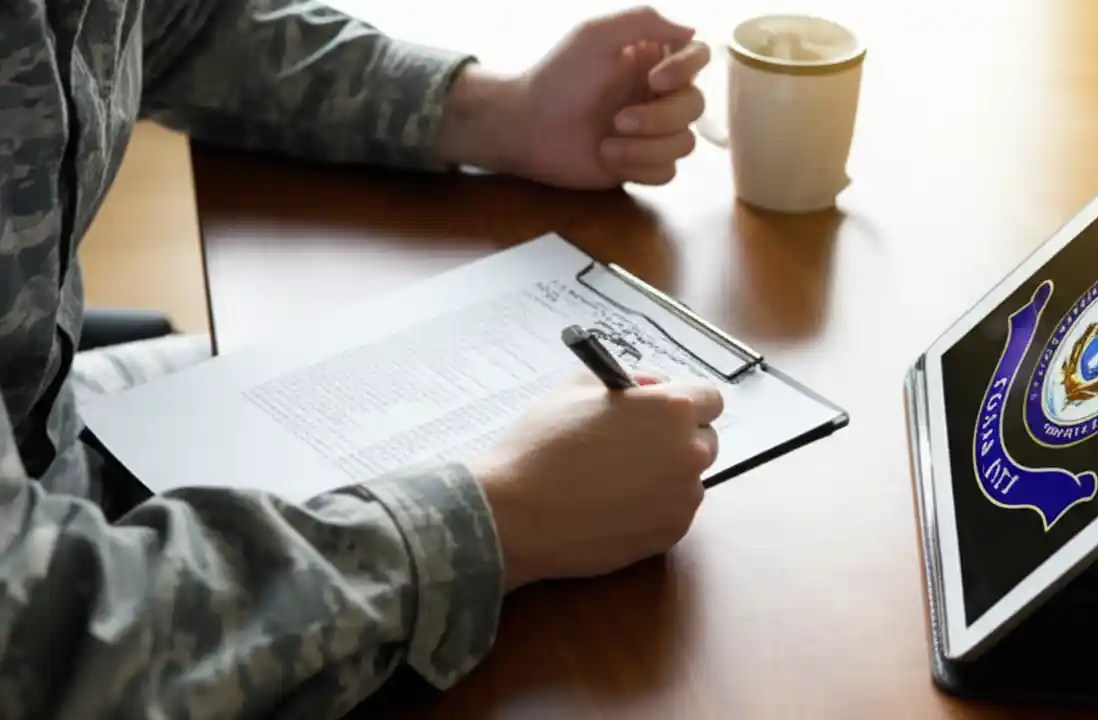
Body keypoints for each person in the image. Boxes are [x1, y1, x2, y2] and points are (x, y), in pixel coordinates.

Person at [0, 2, 723, 717]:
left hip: (53, 435)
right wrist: (509, 518)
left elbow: (185, 22)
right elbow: (32, 648)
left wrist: (494, 112)